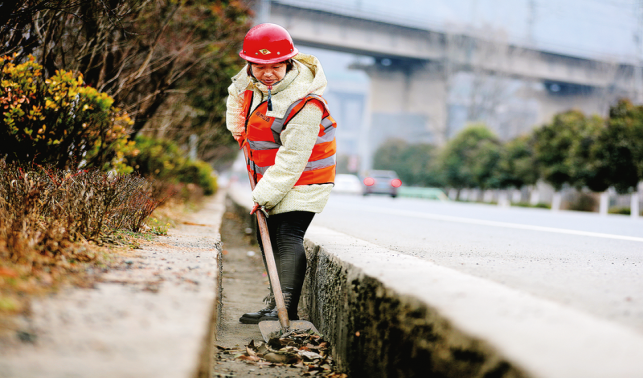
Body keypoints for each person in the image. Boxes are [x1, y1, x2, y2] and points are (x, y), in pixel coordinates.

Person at [226, 23, 337, 324]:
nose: (268, 73)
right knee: (268, 238)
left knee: (287, 234)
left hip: (305, 179)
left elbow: (292, 159)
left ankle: (285, 307)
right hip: (276, 178)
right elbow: (239, 111)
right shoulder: (255, 89)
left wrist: (261, 195)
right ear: (249, 65)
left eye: (276, 66)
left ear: (290, 62)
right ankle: (276, 301)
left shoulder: (306, 102)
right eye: (260, 66)